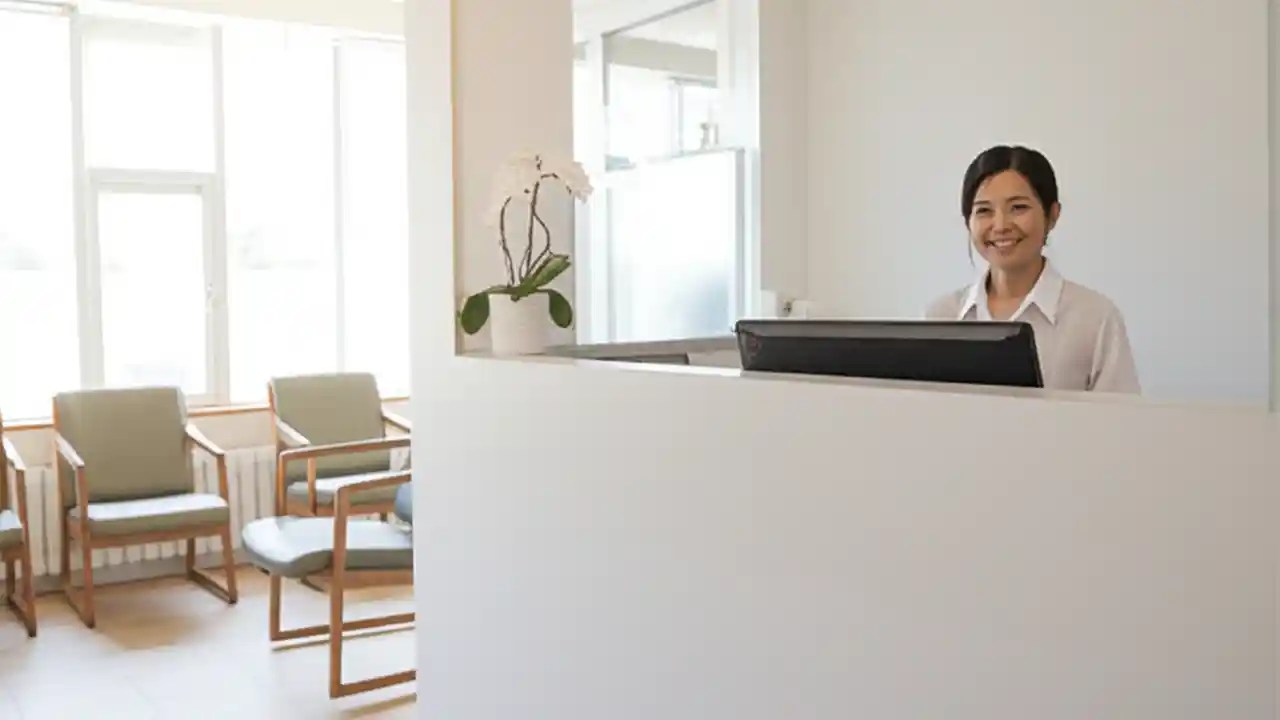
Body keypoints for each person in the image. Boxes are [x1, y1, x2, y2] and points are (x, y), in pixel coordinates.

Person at [926, 145, 1141, 393]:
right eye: (984, 210)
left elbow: (1120, 424)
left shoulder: (1095, 318)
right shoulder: (942, 317)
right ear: (968, 221)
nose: (1001, 225)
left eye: (1018, 207)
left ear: (1052, 215)